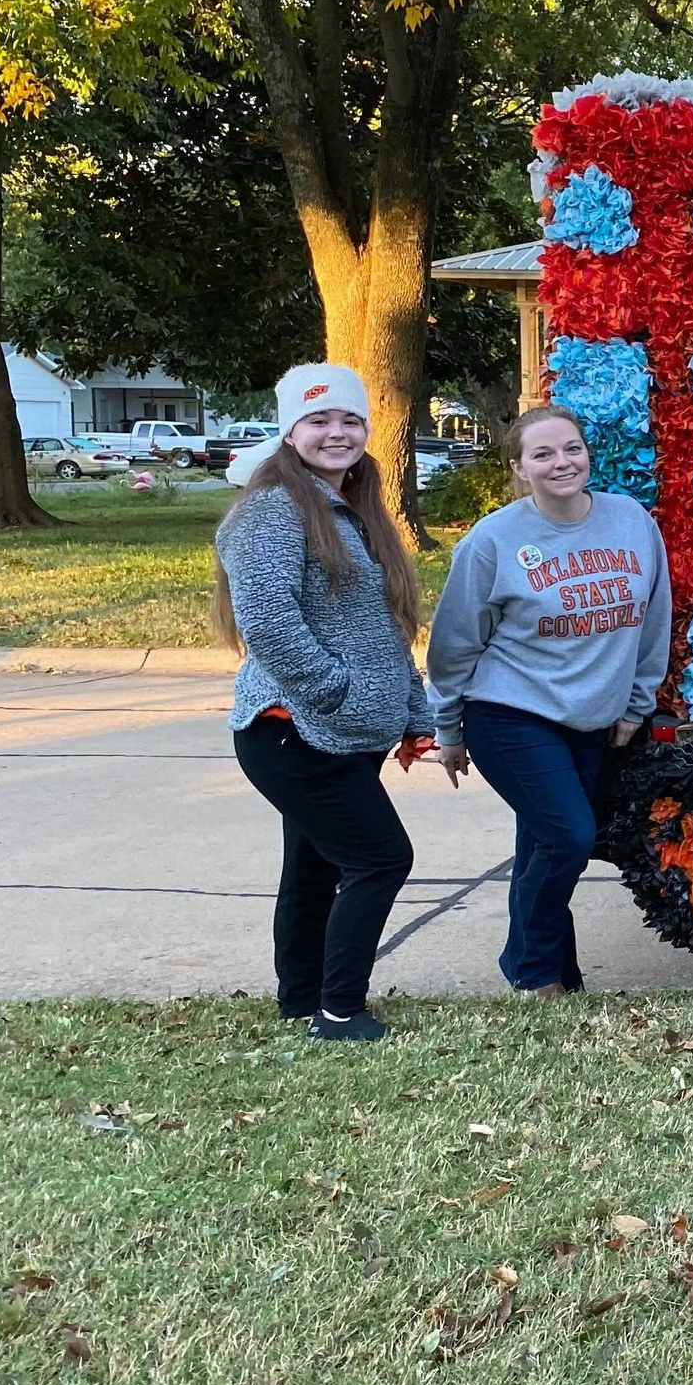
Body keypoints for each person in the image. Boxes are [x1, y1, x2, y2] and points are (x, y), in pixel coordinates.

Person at [212, 364, 433, 1042]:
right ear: (289, 431)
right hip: (294, 730)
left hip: (346, 729)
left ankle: (302, 999)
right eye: (318, 419)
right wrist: (335, 693)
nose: (337, 432)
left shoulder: (354, 506)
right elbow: (269, 620)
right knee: (380, 858)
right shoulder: (273, 507)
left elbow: (384, 625)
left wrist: (412, 713)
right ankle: (339, 1011)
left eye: (350, 420)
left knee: (314, 866)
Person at [426, 405, 671, 996]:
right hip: (509, 714)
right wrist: (449, 730)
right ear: (519, 468)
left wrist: (636, 706)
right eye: (542, 453)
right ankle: (534, 972)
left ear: (588, 454)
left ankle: (556, 974)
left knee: (542, 841)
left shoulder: (631, 520)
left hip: (591, 719)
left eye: (572, 448)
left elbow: (653, 621)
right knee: (568, 837)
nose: (561, 462)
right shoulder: (492, 542)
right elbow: (455, 643)